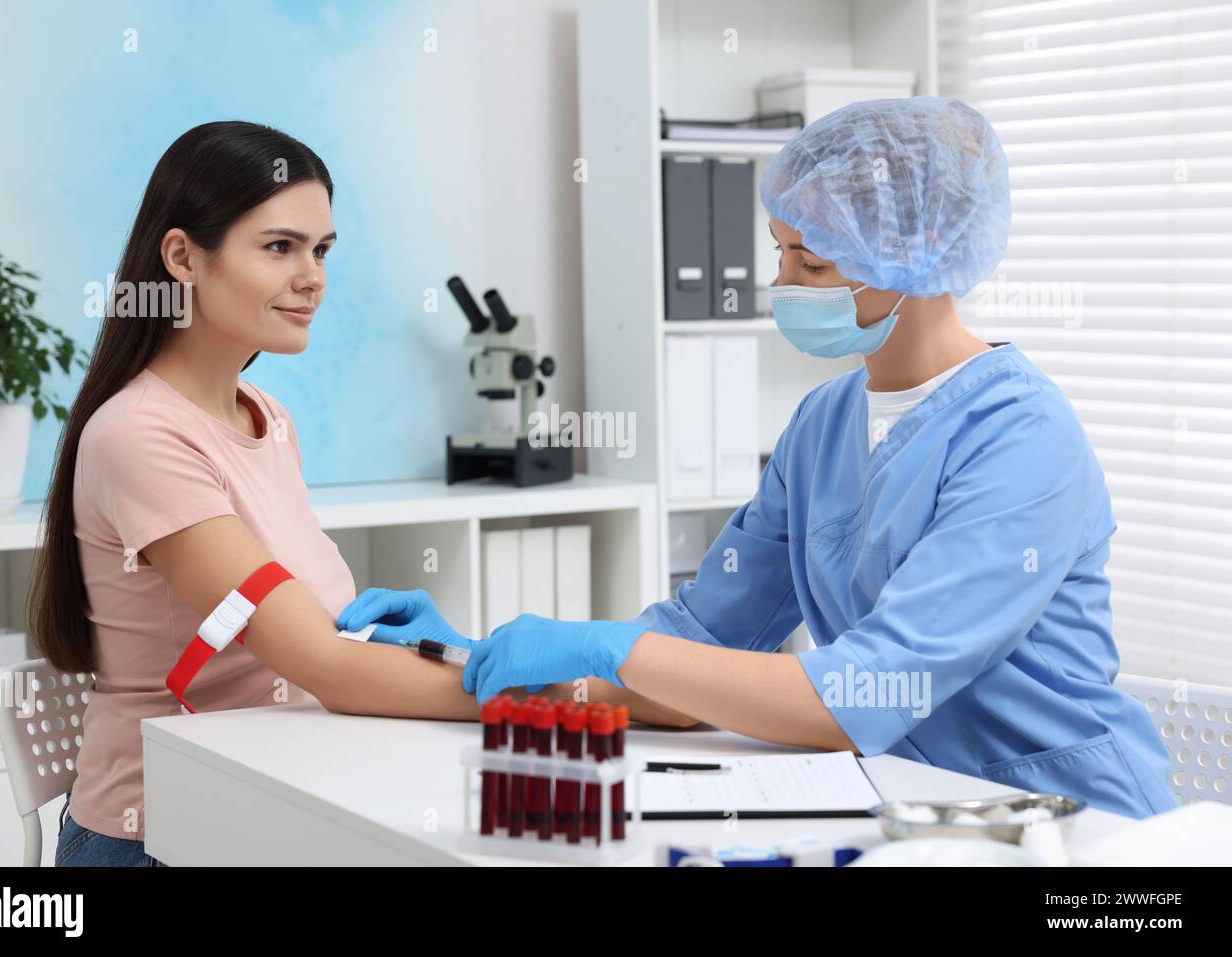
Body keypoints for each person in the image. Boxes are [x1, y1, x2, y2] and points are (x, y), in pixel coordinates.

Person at [340, 98, 1176, 820]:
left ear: (917, 254)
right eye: (779, 252)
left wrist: (601, 646)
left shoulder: (1023, 439)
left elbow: (864, 693)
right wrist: (483, 659)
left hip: (1078, 830)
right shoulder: (822, 425)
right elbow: (702, 642)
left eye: (810, 260)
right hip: (918, 811)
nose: (780, 283)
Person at [30, 121, 695, 866]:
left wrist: (459, 654)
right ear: (183, 256)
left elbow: (319, 642)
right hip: (165, 831)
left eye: (321, 250)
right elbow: (325, 664)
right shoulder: (140, 436)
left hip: (276, 787)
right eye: (279, 246)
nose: (312, 276)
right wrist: (589, 693)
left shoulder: (265, 417)